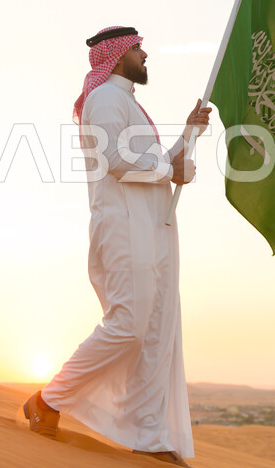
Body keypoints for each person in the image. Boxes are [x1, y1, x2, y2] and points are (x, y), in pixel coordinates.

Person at [22, 26, 211, 467]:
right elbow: (119, 164)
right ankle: (48, 401)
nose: (146, 55)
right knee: (128, 324)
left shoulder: (128, 102)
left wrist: (189, 133)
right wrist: (169, 167)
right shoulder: (105, 99)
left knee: (156, 331)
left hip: (154, 228)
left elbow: (162, 165)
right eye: (139, 48)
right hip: (124, 229)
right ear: (119, 52)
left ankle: (148, 437)